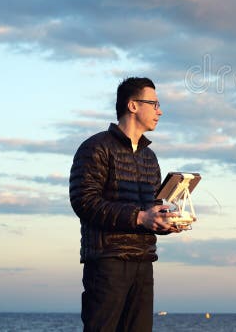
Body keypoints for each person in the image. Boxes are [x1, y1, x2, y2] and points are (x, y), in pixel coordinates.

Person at [69, 77, 180, 332]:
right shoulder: (95, 147)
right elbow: (84, 201)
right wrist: (140, 217)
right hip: (107, 262)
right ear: (132, 105)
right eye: (154, 103)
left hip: (144, 261)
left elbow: (151, 208)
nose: (159, 111)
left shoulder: (149, 157)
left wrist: (164, 222)